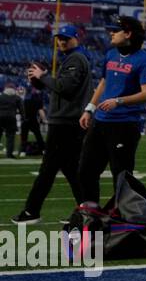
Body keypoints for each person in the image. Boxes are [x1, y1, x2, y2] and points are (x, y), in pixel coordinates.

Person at [76, 16, 146, 213]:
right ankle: (91, 214)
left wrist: (119, 101)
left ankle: (122, 219)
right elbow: (103, 83)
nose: (110, 33)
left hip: (124, 125)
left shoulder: (144, 60)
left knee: (120, 177)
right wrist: (89, 108)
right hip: (101, 122)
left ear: (128, 34)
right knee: (86, 170)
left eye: (115, 30)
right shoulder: (111, 54)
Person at [12, 24, 92, 224]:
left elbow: (65, 88)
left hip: (65, 123)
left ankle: (32, 211)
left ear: (76, 38)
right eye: (59, 38)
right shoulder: (73, 58)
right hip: (68, 121)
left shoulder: (76, 59)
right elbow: (60, 88)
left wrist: (44, 77)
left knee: (48, 169)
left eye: (66, 38)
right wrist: (38, 80)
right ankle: (87, 212)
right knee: (71, 170)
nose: (62, 41)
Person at [20, 84, 45, 157]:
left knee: (24, 136)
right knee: (38, 135)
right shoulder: (37, 99)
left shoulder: (24, 100)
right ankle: (43, 150)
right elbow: (40, 111)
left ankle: (23, 151)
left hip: (25, 120)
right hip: (33, 119)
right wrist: (44, 119)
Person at [0, 83, 20, 158]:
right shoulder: (17, 97)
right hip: (11, 118)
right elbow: (21, 109)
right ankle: (9, 154)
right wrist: (24, 117)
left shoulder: (1, 96)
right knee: (10, 136)